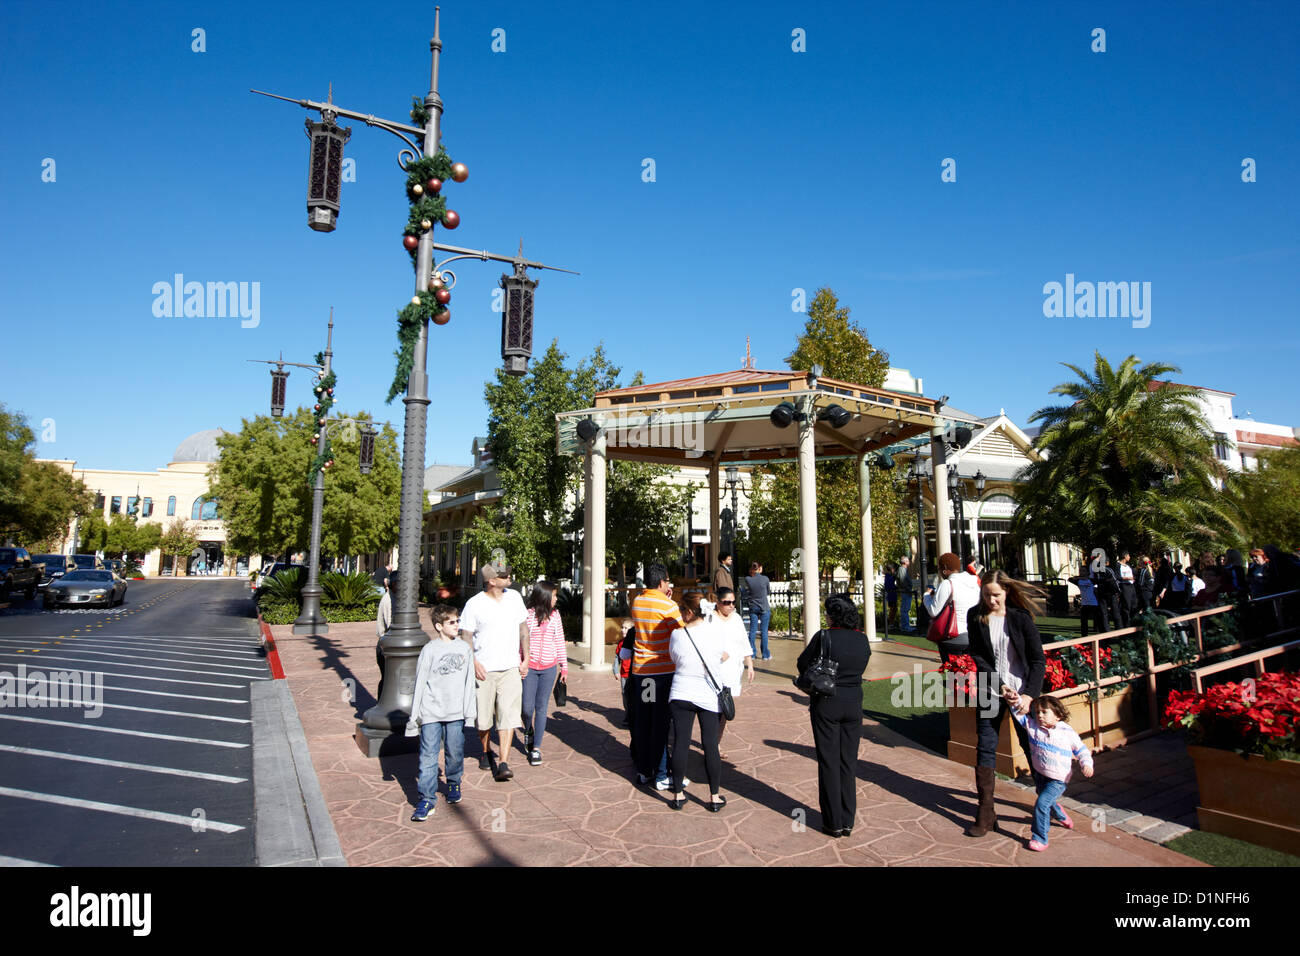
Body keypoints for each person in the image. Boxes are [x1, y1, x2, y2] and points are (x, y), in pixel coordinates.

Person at [965, 571, 1046, 838]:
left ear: (1007, 593)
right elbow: (977, 654)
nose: (991, 600)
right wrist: (1000, 685)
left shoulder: (1020, 619)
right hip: (991, 692)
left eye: (996, 595)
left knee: (1031, 746)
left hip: (1023, 694)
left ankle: (1047, 802)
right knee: (985, 747)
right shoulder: (975, 616)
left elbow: (1037, 661)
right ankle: (986, 811)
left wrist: (1028, 696)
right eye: (987, 595)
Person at [796, 593, 870, 837]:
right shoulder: (863, 640)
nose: (825, 616)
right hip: (854, 702)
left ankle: (833, 822)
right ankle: (848, 820)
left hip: (827, 702)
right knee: (848, 763)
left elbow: (802, 663)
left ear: (834, 615)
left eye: (828, 612)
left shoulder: (824, 637)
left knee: (829, 761)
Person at [459, 561, 529, 782]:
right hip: (484, 669)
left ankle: (504, 762)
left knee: (508, 714)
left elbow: (523, 629)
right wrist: (474, 662)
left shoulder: (515, 598)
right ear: (491, 581)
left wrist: (526, 658)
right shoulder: (474, 604)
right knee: (484, 716)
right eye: (503, 575)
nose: (509, 577)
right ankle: (486, 750)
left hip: (510, 667)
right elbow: (466, 636)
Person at [407, 604, 476, 821]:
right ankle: (426, 799)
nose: (457, 625)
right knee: (428, 756)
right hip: (431, 712)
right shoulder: (429, 650)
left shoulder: (464, 649)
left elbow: (469, 683)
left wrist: (470, 714)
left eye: (458, 621)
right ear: (439, 626)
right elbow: (419, 683)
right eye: (452, 622)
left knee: (455, 752)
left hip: (455, 713)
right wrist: (413, 716)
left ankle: (454, 782)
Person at [666, 592, 730, 811]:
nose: (680, 614)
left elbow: (674, 658)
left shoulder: (677, 635)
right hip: (707, 694)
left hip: (681, 691)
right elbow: (723, 656)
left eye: (682, 610)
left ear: (690, 612)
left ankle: (677, 794)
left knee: (681, 743)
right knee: (710, 745)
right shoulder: (715, 632)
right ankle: (714, 796)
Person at [1009, 694, 1093, 851]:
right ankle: (1061, 815)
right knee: (1046, 801)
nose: (1040, 715)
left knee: (1041, 804)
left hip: (1058, 779)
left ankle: (1040, 838)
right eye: (1037, 712)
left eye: (1044, 712)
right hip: (1041, 775)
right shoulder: (1032, 726)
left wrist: (1086, 764)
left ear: (1058, 715)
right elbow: (1017, 711)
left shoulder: (1067, 732)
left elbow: (1081, 750)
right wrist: (1014, 699)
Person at [629, 563, 685, 790]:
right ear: (662, 582)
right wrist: (669, 600)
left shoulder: (637, 602)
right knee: (661, 724)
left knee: (644, 721)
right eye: (667, 582)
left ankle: (645, 769)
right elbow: (681, 633)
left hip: (642, 672)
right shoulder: (668, 606)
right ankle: (662, 774)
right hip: (662, 671)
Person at [521, 581, 567, 767]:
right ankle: (528, 730)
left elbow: (560, 641)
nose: (556, 599)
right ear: (545, 597)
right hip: (530, 668)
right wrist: (521, 662)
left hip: (549, 668)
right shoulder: (527, 615)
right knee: (526, 707)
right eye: (554, 595)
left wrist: (564, 666)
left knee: (541, 708)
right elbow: (520, 640)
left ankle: (536, 748)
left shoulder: (556, 616)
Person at [713, 586, 754, 757]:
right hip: (714, 670)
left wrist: (749, 664)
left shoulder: (736, 618)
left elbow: (744, 642)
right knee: (712, 710)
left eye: (733, 602)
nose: (730, 606)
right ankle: (711, 743)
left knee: (725, 710)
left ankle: (716, 743)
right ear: (718, 602)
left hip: (732, 670)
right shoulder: (709, 619)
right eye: (726, 602)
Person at [922, 552, 981, 664]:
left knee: (954, 677)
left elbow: (933, 611)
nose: (939, 572)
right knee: (969, 676)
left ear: (944, 568)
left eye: (939, 569)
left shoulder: (947, 584)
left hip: (952, 637)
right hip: (972, 635)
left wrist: (926, 596)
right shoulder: (974, 582)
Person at [743, 561, 772, 660]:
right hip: (764, 607)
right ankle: (765, 654)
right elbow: (768, 592)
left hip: (753, 607)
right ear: (760, 569)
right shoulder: (765, 579)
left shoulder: (748, 579)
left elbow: (747, 591)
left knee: (752, 630)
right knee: (764, 631)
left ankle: (752, 654)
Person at [1068, 563, 1103, 638]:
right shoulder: (1078, 581)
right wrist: (1079, 578)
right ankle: (1084, 637)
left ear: (1087, 572)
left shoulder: (1091, 580)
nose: (1082, 572)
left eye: (1084, 571)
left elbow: (1100, 581)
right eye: (1080, 571)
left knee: (1099, 621)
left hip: (1094, 604)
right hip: (1085, 604)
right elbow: (1070, 579)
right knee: (1083, 622)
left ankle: (1102, 636)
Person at [1117, 552, 1138, 626]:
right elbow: (1117, 577)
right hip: (1124, 586)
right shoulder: (1118, 565)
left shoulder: (1128, 565)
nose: (1129, 557)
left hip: (1131, 585)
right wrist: (1127, 578)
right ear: (1125, 556)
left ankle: (1134, 622)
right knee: (1126, 605)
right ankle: (1126, 624)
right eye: (1128, 555)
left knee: (1134, 604)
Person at [897, 556, 916, 633]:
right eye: (908, 561)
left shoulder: (903, 569)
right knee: (905, 610)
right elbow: (903, 581)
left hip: (906, 592)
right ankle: (905, 626)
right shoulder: (902, 569)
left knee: (905, 609)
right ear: (904, 562)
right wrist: (908, 589)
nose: (909, 562)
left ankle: (905, 626)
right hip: (906, 592)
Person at [883, 563, 898, 628]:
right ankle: (890, 623)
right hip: (891, 594)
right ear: (892, 569)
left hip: (891, 594)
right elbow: (889, 585)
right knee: (892, 609)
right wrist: (895, 587)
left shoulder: (888, 576)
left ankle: (891, 623)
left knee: (893, 608)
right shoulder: (889, 576)